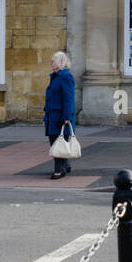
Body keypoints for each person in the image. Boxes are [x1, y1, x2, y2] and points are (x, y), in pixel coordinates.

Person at [44, 51, 76, 180]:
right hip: (52, 114)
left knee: (57, 142)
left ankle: (59, 170)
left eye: (53, 61)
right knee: (58, 141)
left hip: (60, 116)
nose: (51, 64)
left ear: (60, 63)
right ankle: (65, 165)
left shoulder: (65, 76)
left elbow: (68, 98)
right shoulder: (56, 76)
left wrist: (67, 117)